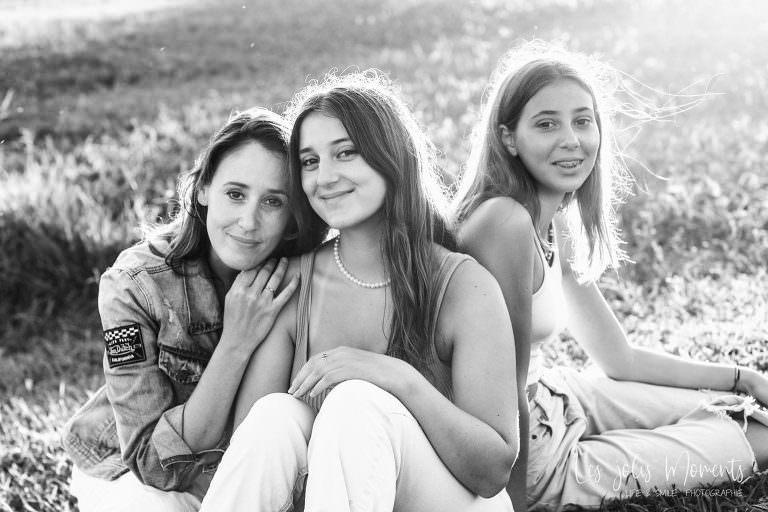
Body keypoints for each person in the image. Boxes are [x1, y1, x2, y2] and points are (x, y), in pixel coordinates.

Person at [451, 42, 768, 511]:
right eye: (546, 124)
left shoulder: (548, 214)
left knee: (749, 412)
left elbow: (617, 357)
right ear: (508, 138)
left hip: (560, 396)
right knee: (759, 437)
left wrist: (744, 377)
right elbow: (503, 394)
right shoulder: (503, 224)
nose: (571, 139)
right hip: (533, 453)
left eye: (583, 120)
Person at [198, 72, 519, 512]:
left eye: (345, 153)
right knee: (274, 415)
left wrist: (395, 377)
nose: (324, 177)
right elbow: (254, 448)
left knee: (356, 401)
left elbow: (493, 470)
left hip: (451, 502)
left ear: (392, 156)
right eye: (309, 162)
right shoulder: (293, 283)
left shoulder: (464, 284)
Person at [62, 107, 322, 512]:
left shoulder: (301, 273)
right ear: (203, 189)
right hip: (127, 472)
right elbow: (151, 462)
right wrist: (236, 342)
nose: (248, 222)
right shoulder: (132, 285)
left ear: (293, 215)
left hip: (227, 470)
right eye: (235, 194)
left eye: (272, 201)